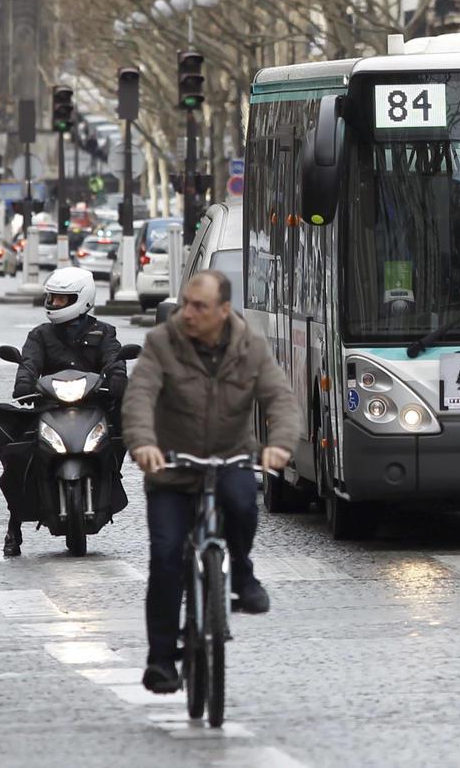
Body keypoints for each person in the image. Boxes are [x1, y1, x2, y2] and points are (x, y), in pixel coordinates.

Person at [121, 271, 301, 694]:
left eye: (199, 306)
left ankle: (241, 573)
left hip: (229, 459)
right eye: (185, 303)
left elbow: (281, 399)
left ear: (223, 311)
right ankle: (161, 660)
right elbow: (139, 397)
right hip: (171, 468)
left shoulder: (249, 347)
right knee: (165, 558)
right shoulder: (161, 343)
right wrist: (144, 445)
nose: (188, 313)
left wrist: (279, 445)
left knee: (242, 505)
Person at [0, 267, 127, 557]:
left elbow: (113, 360)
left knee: (123, 433)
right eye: (53, 299)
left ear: (81, 299)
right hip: (50, 406)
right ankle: (14, 524)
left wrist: (117, 379)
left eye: (61, 299)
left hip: (92, 405)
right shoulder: (41, 335)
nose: (54, 304)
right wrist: (23, 384)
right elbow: (28, 363)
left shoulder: (104, 332)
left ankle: (110, 476)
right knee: (19, 455)